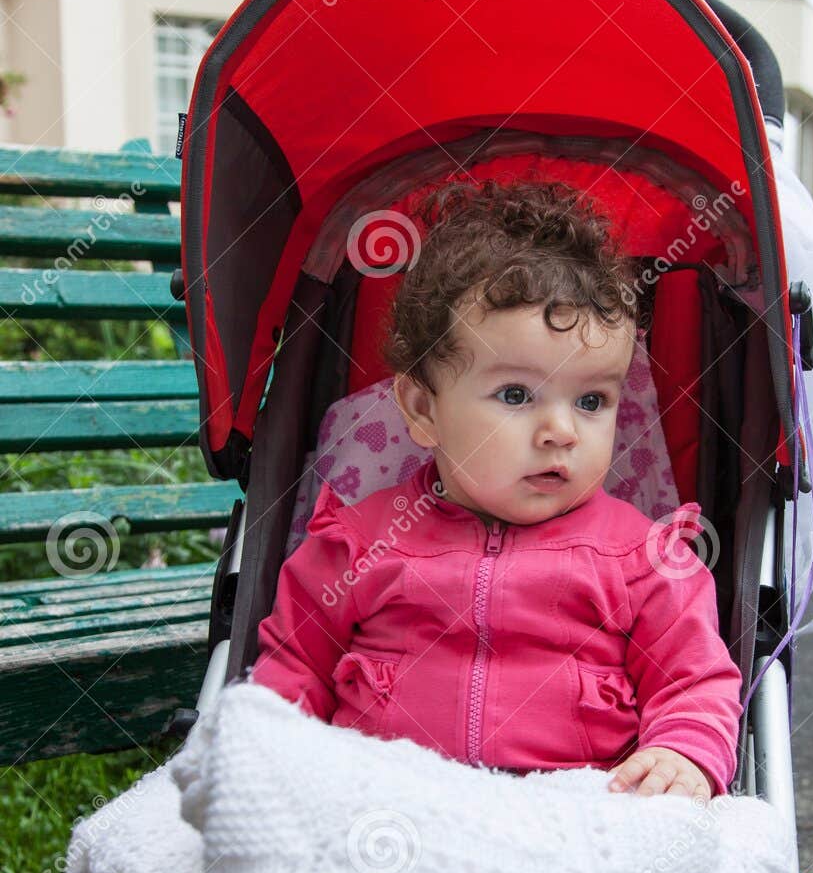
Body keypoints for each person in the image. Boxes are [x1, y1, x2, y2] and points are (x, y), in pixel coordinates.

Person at [249, 177, 742, 801]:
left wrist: (681, 754)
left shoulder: (644, 561)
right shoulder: (355, 545)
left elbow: (695, 683)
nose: (560, 430)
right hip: (376, 801)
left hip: (573, 815)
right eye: (516, 395)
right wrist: (270, 757)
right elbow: (293, 671)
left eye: (592, 400)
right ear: (423, 408)